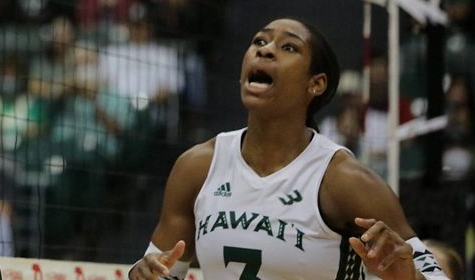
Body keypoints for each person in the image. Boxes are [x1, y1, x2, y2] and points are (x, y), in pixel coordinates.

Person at [128, 18, 450, 280]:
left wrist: (410, 279)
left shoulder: (344, 181)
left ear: (316, 84)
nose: (265, 51)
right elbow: (164, 272)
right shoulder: (198, 166)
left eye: (288, 47)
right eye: (259, 41)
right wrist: (143, 275)